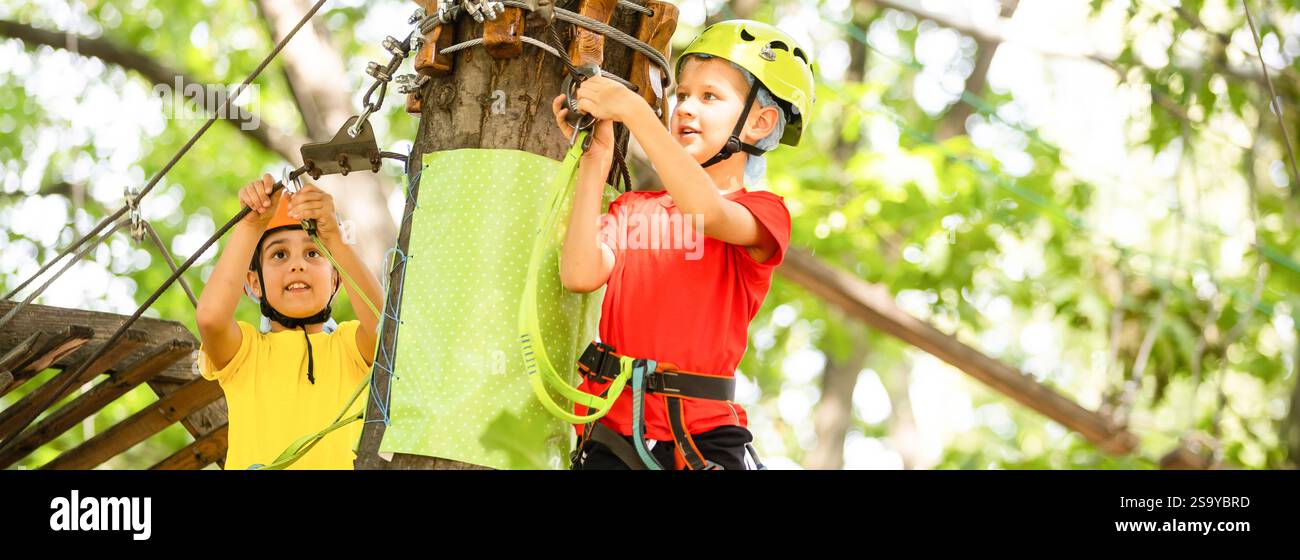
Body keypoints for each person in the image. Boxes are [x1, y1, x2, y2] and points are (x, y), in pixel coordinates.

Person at [553, 20, 815, 469]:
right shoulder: (635, 208)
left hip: (702, 440)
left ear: (760, 122)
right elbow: (579, 274)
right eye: (682, 96)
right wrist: (596, 161)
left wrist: (637, 114)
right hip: (612, 432)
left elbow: (706, 213)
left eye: (709, 97)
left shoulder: (764, 213)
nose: (686, 108)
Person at [194, 174, 384, 469]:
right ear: (254, 283)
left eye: (313, 253)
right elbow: (210, 319)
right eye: (279, 254)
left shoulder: (348, 349)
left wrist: (334, 237)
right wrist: (250, 226)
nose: (298, 264)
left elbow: (387, 331)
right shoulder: (246, 353)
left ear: (336, 278)